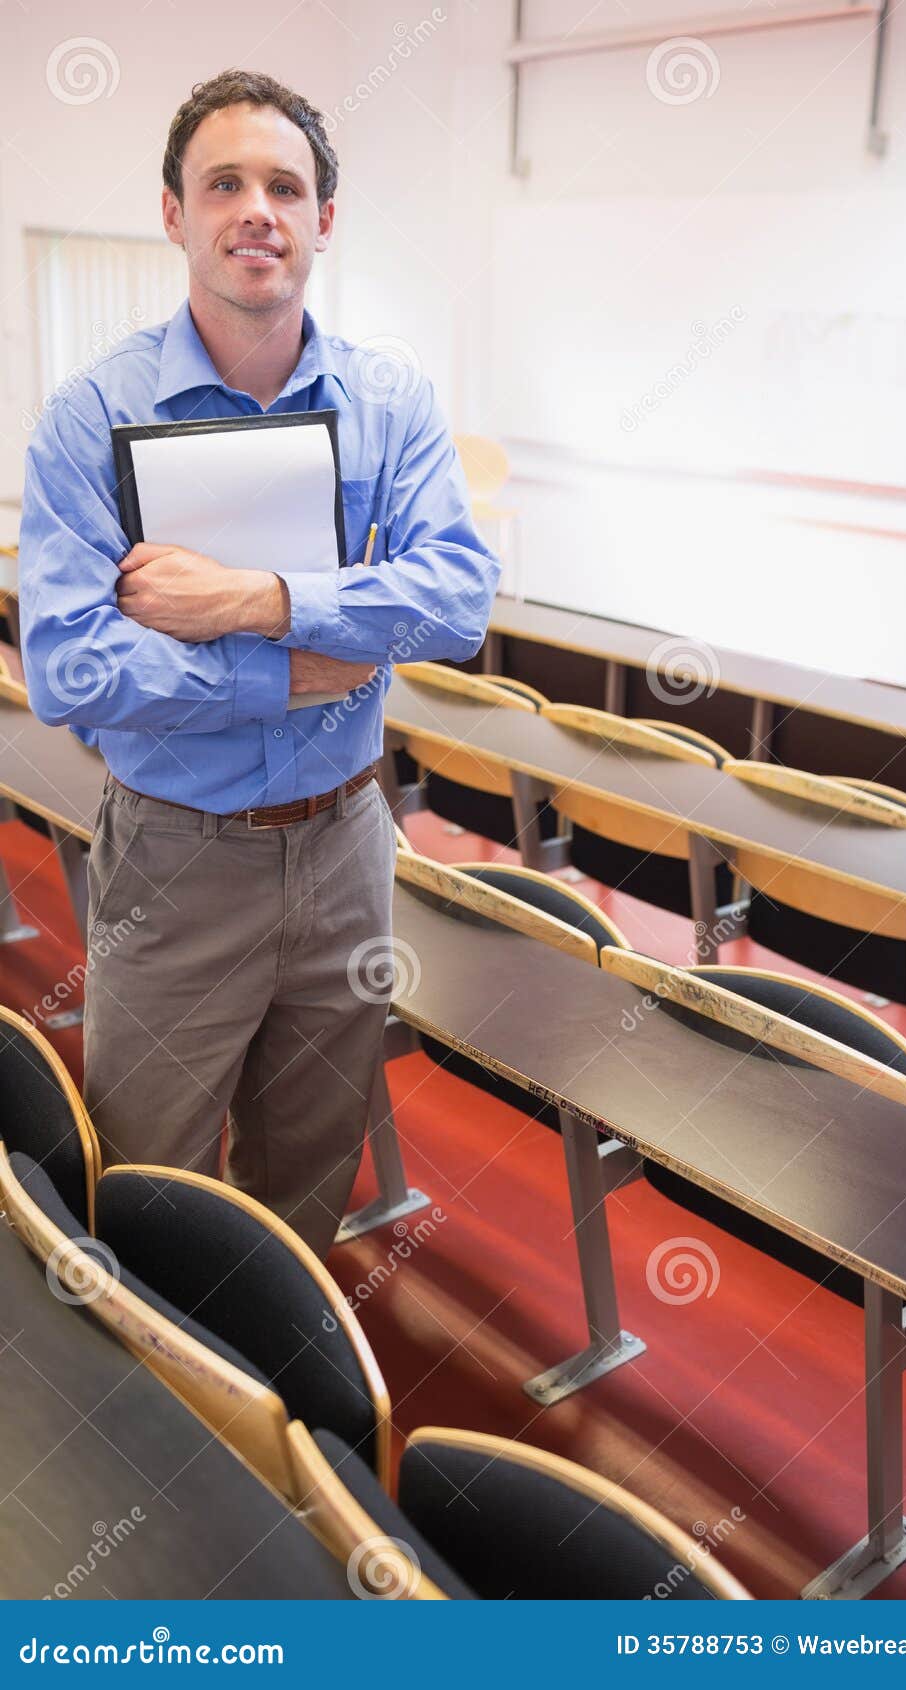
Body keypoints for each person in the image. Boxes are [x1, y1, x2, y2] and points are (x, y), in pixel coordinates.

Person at [18, 69, 500, 1259]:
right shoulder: (90, 416)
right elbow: (71, 667)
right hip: (176, 855)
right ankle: (161, 1378)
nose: (256, 211)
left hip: (349, 845)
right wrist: (282, 673)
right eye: (223, 184)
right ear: (174, 213)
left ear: (322, 220)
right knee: (151, 1185)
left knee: (308, 1177)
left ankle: (275, 1370)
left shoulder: (389, 402)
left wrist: (256, 600)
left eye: (285, 187)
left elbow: (457, 599)